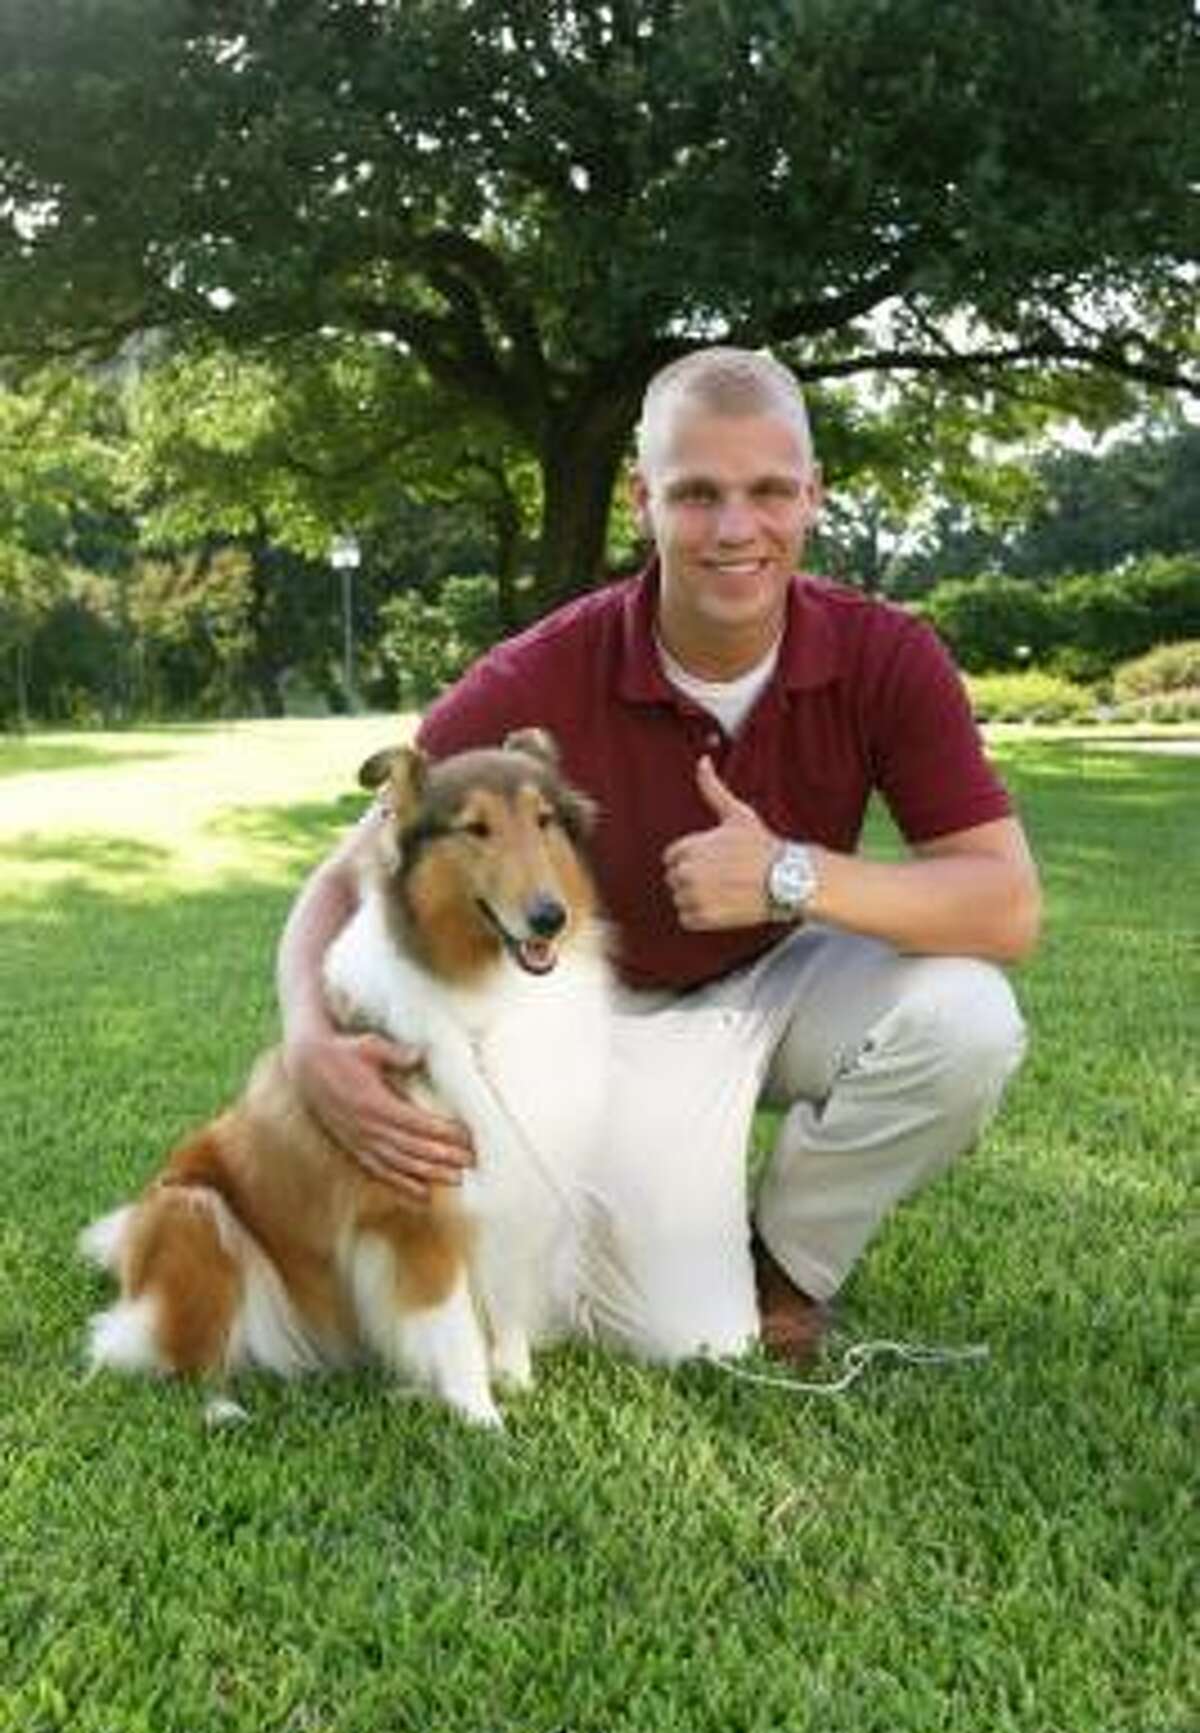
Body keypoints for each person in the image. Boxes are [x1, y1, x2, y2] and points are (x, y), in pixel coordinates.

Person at [278, 347, 1041, 1367]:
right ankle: (640, 1217)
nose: (736, 529)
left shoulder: (888, 655)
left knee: (968, 1018)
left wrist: (786, 874)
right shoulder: (533, 677)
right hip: (612, 1016)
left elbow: (1007, 907)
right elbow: (342, 877)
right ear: (643, 499)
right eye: (697, 494)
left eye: (770, 490)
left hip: (787, 970)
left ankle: (790, 1263)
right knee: (685, 1339)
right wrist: (305, 1040)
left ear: (812, 495)